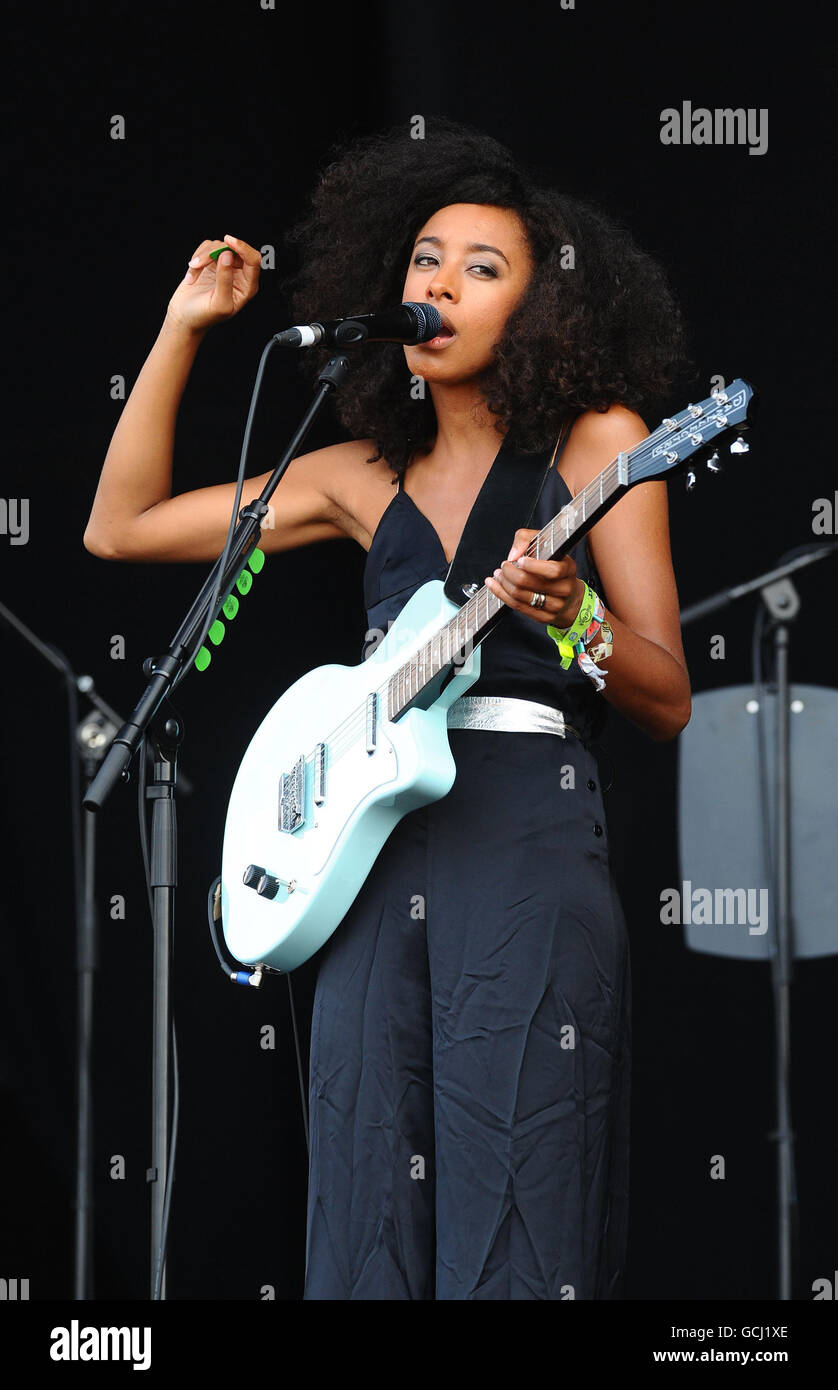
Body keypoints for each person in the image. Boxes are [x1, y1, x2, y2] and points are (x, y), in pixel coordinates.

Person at [84, 119, 691, 1300]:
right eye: (425, 259)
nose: (441, 285)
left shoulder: (604, 445)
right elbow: (119, 525)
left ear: (540, 309)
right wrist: (183, 327)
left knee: (519, 1169)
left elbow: (666, 694)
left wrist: (573, 622)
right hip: (364, 853)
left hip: (524, 835)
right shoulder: (358, 472)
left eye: (481, 267)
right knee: (366, 1185)